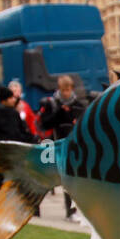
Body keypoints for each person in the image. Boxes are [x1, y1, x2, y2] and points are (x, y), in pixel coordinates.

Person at [37, 75, 87, 218]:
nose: (66, 93)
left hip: (76, 146)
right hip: (59, 144)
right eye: (64, 90)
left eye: (68, 90)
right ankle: (70, 211)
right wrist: (59, 113)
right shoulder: (52, 104)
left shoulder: (77, 104)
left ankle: (78, 209)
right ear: (59, 89)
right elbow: (45, 124)